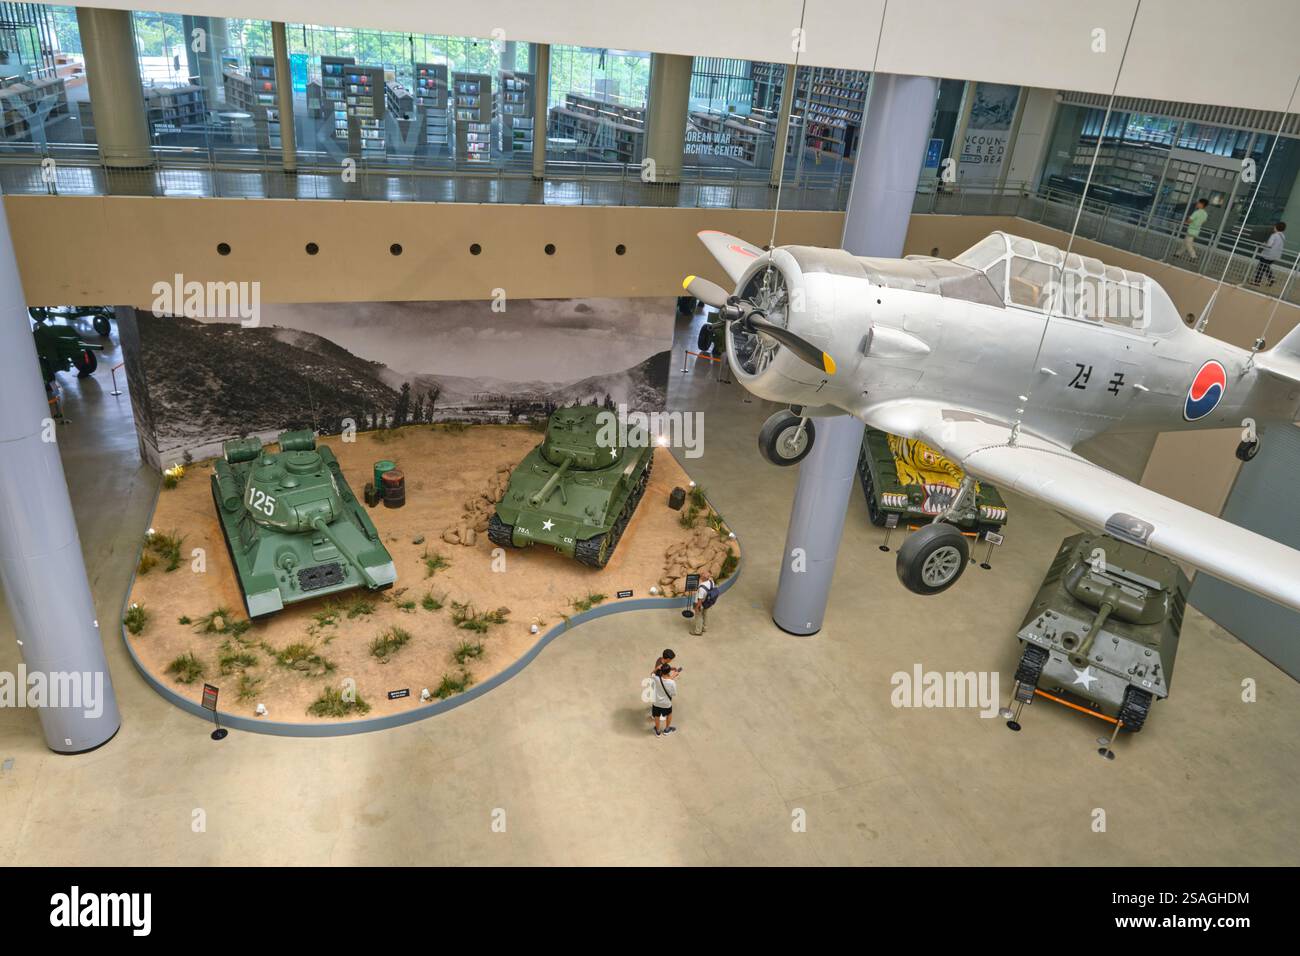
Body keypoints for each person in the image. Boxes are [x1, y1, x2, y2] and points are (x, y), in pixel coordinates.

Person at [1251, 222, 1286, 287]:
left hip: (1268, 254)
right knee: (1266, 266)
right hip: (1275, 256)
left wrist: (1263, 244)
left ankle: (1257, 282)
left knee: (1261, 268)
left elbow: (1269, 245)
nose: (1274, 228)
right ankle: (1271, 278)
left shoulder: (1274, 235)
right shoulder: (1283, 236)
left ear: (1276, 227)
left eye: (1275, 226)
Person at [650, 664, 677, 737]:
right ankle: (667, 729)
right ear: (669, 672)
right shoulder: (672, 682)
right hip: (666, 704)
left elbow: (651, 674)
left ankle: (658, 731)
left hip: (656, 703)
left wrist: (656, 668)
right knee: (669, 714)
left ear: (661, 671)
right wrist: (673, 677)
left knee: (656, 716)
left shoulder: (656, 678)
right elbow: (674, 693)